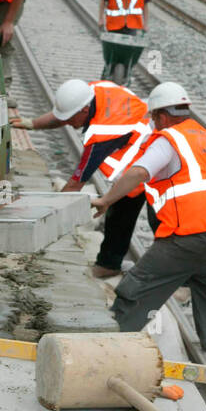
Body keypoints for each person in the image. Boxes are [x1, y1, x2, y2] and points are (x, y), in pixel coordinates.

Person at [91, 80, 206, 388]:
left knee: (138, 287)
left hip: (187, 237)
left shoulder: (168, 140)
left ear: (161, 115)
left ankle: (106, 351)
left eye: (153, 117)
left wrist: (106, 200)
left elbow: (139, 172)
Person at [17, 78, 155, 278]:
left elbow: (74, 185)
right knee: (120, 207)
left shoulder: (101, 135)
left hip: (157, 158)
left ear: (84, 110)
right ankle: (110, 264)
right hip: (146, 139)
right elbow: (64, 115)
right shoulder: (92, 91)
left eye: (70, 118)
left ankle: (175, 277)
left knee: (156, 218)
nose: (67, 123)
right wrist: (32, 124)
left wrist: (45, 224)